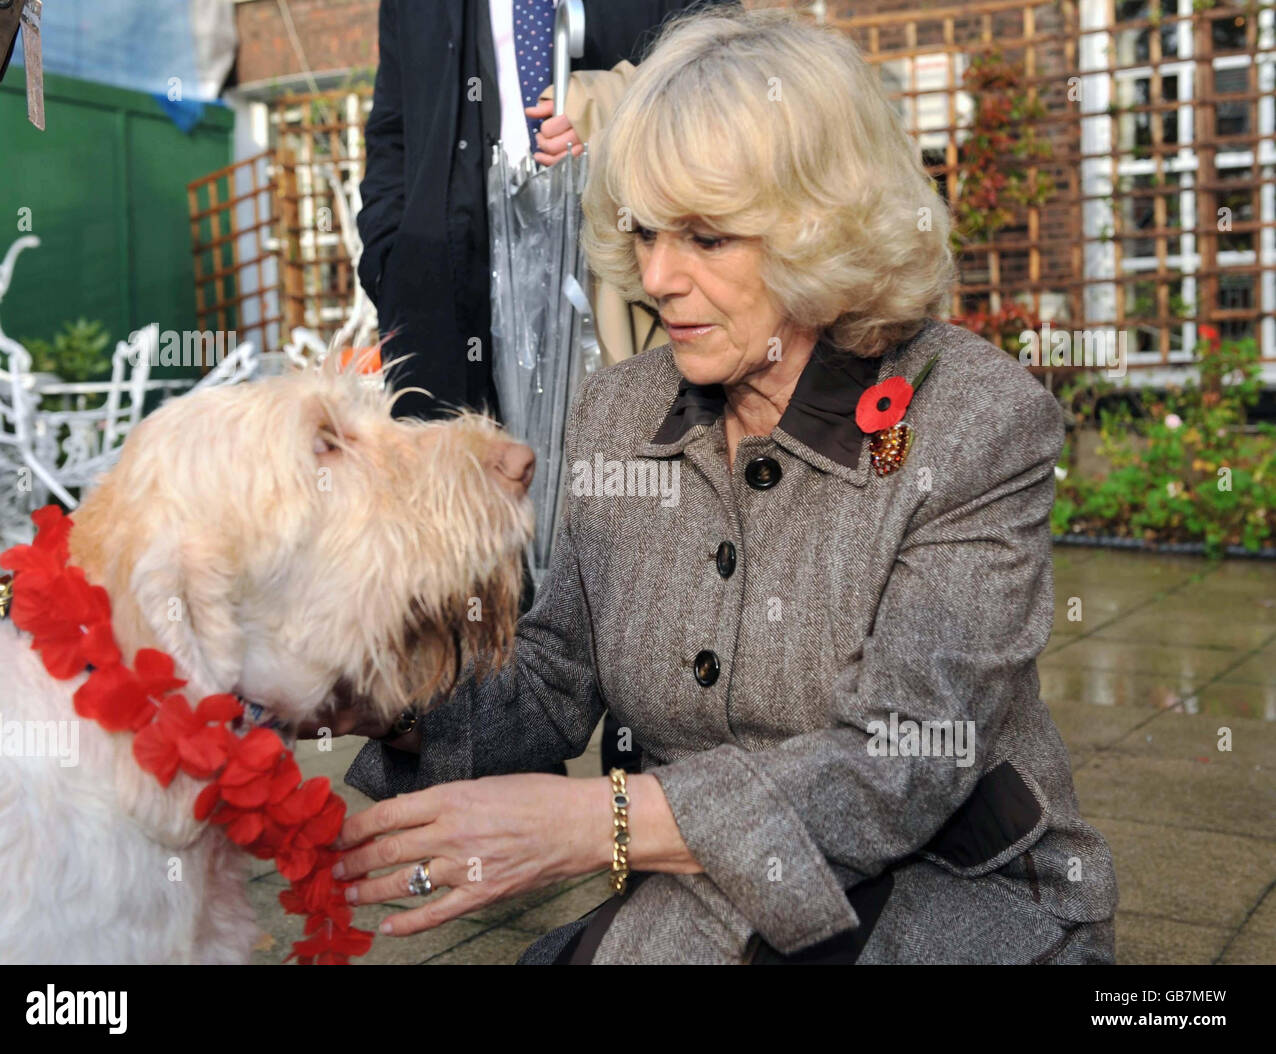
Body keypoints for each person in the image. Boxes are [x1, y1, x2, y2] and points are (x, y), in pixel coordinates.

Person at [331, 6, 1119, 964]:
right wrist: (389, 696)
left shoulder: (973, 420)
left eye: (707, 238)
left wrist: (597, 824)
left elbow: (900, 762)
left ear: (820, 229)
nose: (657, 276)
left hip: (953, 891)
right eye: (648, 231)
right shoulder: (622, 412)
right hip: (710, 895)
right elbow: (549, 683)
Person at [356, 0, 731, 422]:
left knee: (628, 473)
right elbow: (393, 132)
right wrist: (389, 264)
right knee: (477, 481)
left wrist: (606, 121)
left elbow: (728, 71)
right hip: (450, 299)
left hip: (625, 283)